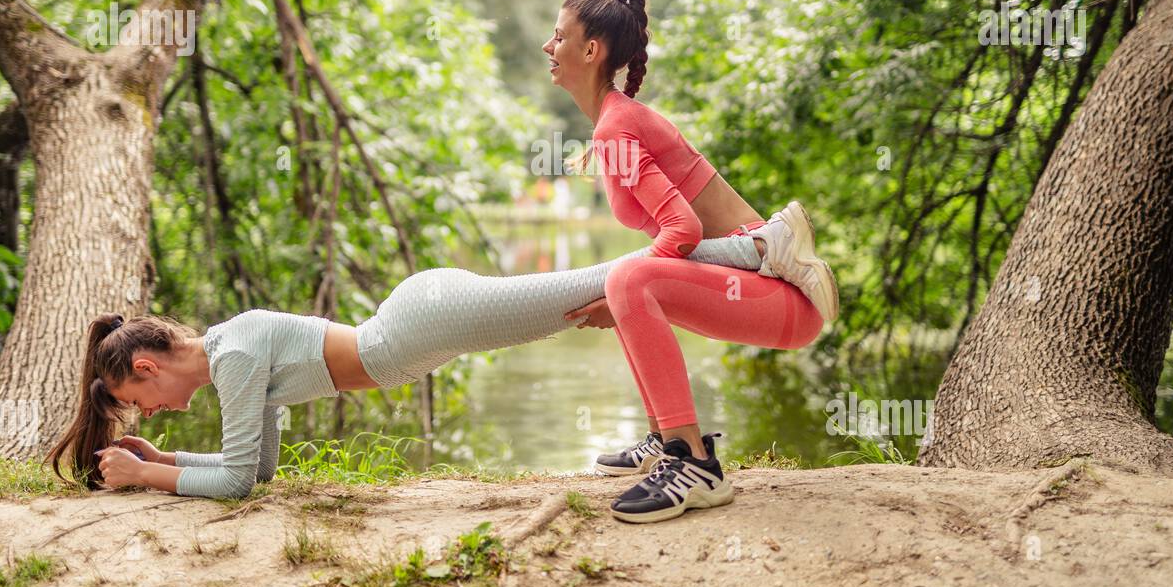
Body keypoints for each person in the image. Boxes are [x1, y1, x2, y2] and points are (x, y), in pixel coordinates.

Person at [46, 218, 815, 499]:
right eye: (147, 420)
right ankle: (749, 258)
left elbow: (240, 484)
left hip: (423, 322)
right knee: (598, 301)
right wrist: (167, 455)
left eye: (143, 403)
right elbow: (263, 468)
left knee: (599, 286)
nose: (155, 412)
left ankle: (759, 246)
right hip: (422, 324)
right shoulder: (235, 356)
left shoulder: (238, 355)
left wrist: (150, 473)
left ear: (147, 367)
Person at [545, 0, 839, 523]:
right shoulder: (615, 121)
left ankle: (693, 464)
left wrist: (625, 292)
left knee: (630, 280)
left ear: (590, 52)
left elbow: (681, 228)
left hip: (779, 296)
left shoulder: (616, 126)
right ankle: (665, 437)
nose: (549, 46)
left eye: (558, 35)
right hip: (760, 288)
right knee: (629, 281)